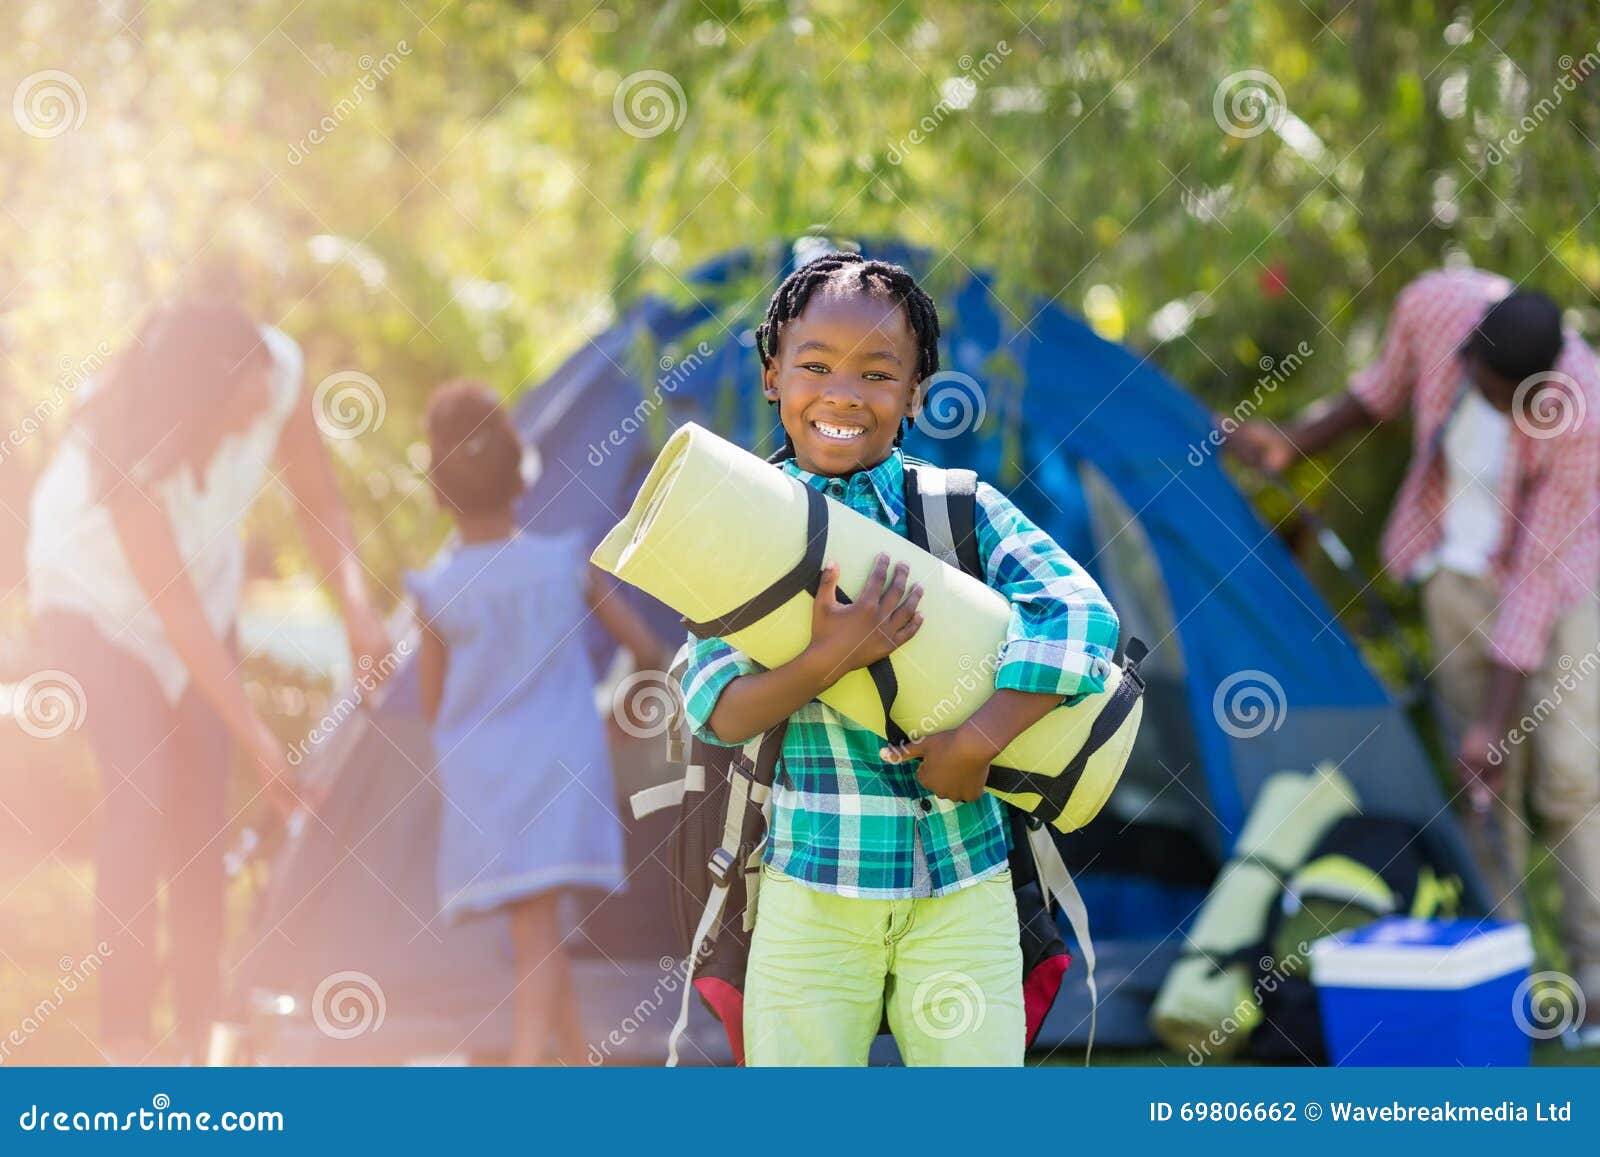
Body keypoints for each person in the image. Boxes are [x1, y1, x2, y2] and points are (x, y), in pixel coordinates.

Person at [679, 252, 1121, 1066]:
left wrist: (980, 737)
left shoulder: (956, 511)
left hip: (962, 885)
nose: (843, 394)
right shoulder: (743, 528)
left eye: (878, 373)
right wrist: (829, 657)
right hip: (808, 889)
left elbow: (1082, 614)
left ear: (917, 392)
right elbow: (713, 706)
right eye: (814, 365)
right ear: (773, 374)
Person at [1228, 269, 1600, 1029]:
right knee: (1486, 787)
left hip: (1562, 583)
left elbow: (1534, 578)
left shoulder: (1581, 410)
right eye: (1471, 366)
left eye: (1493, 389)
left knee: (1567, 773)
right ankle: (1509, 969)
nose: (1471, 384)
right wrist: (1292, 444)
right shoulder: (1435, 307)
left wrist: (1496, 714)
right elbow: (1379, 391)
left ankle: (1593, 968)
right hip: (1450, 570)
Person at [26, 299, 392, 1064]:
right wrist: (262, 739)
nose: (259, 412)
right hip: (91, 596)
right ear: (196, 399)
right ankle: (126, 1044)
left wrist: (356, 608)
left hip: (201, 587)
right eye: (242, 403)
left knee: (200, 819)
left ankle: (195, 1040)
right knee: (141, 787)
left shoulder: (273, 372)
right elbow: (176, 615)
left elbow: (317, 501)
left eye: (265, 389)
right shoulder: (117, 437)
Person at [407, 380, 658, 1066]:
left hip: (485, 772)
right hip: (562, 760)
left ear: (439, 488)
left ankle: (524, 1073)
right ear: (519, 469)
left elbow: (432, 704)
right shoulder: (561, 562)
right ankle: (573, 1062)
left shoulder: (435, 590)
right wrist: (621, 721)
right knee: (537, 926)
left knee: (533, 924)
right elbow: (647, 648)